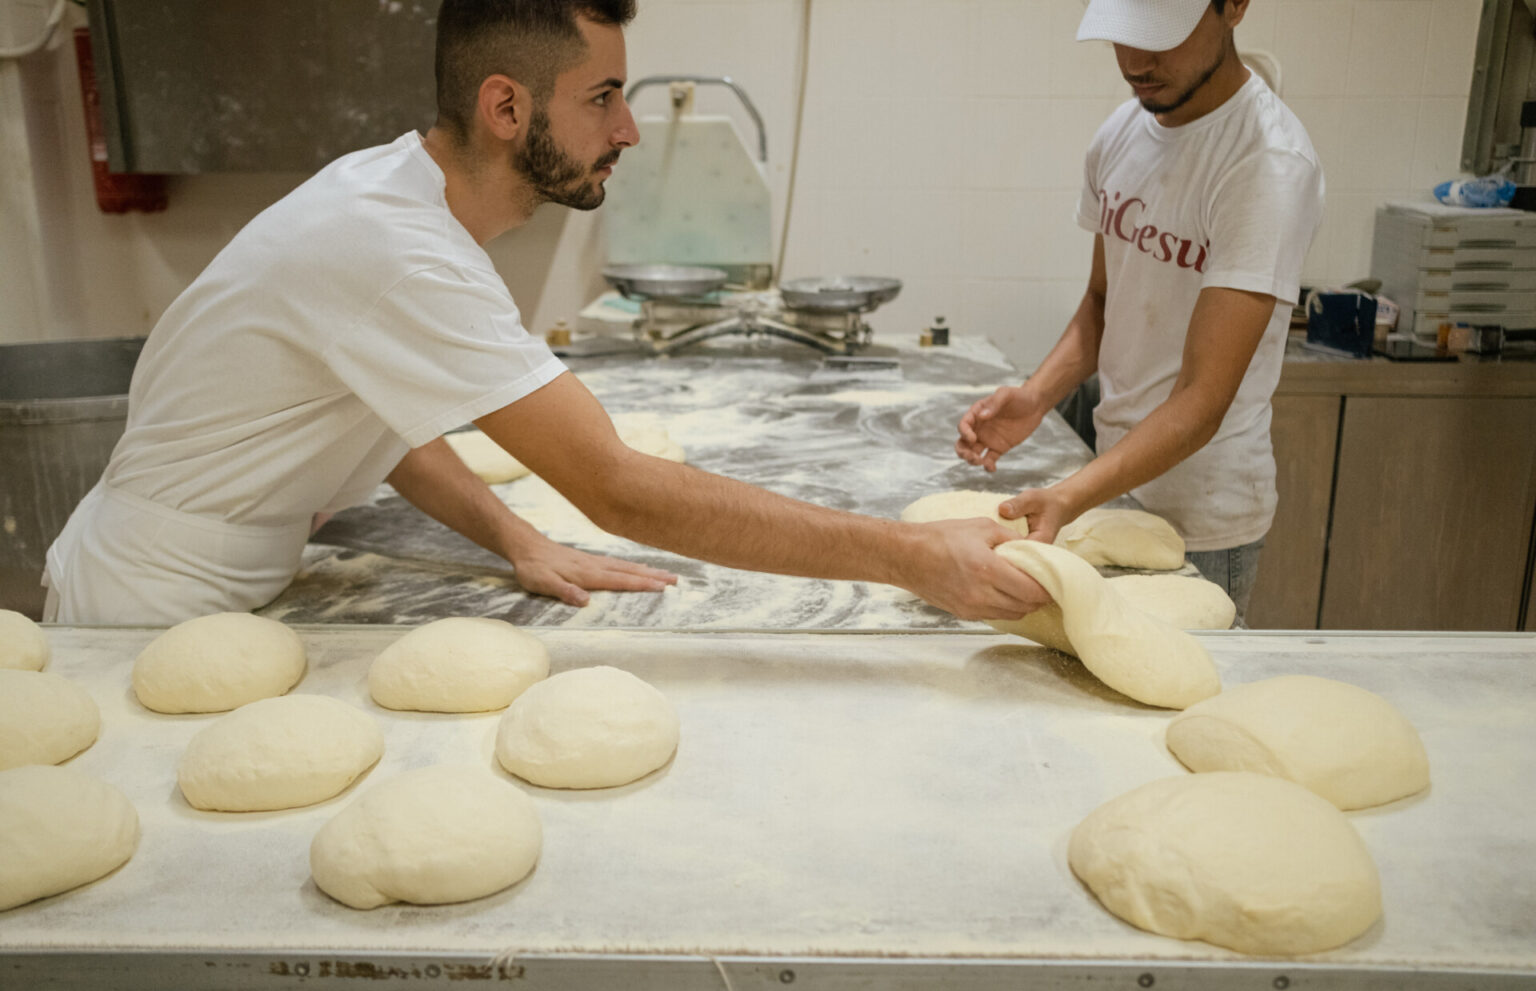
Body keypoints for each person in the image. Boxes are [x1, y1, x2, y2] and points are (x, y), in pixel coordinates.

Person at [44, 0, 1047, 627]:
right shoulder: (398, 247)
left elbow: (387, 419)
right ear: (506, 107)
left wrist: (513, 534)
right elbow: (621, 491)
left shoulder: (398, 195)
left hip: (212, 588)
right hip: (149, 611)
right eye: (604, 98)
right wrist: (909, 558)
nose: (629, 130)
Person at [955, 0, 1323, 622]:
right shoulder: (1122, 133)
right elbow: (1105, 301)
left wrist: (1070, 494)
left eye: (1162, 36)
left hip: (1204, 521)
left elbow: (1204, 398)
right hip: (1114, 489)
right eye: (1123, 36)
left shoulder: (1266, 165)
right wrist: (1036, 395)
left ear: (1233, 8)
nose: (1135, 62)